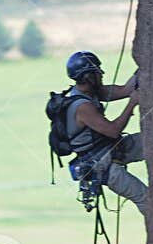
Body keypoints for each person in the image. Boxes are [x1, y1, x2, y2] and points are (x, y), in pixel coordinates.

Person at [63, 49, 147, 211]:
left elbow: (125, 90)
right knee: (146, 199)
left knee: (152, 142)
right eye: (97, 72)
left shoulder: (91, 92)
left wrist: (144, 66)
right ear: (88, 76)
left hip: (111, 150)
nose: (101, 74)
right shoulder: (82, 106)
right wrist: (132, 104)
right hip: (104, 166)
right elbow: (113, 130)